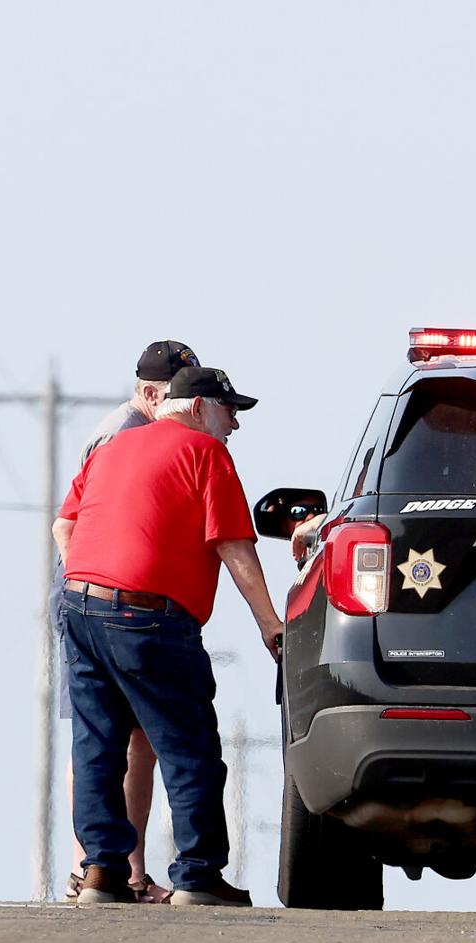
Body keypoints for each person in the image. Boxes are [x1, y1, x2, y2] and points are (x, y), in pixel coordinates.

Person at [53, 366, 284, 905]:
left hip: (80, 607)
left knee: (97, 744)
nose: (234, 425)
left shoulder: (114, 447)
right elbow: (234, 546)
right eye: (229, 411)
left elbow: (64, 524)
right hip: (146, 617)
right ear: (199, 407)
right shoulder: (206, 453)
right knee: (188, 745)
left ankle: (101, 873)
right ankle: (198, 876)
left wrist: (93, 581)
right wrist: (270, 625)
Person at [54, 339, 200, 903]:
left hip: (106, 596)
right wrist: (93, 599)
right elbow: (70, 526)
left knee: (135, 737)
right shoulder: (125, 434)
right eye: (173, 395)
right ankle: (94, 866)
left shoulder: (145, 430)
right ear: (148, 393)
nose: (182, 406)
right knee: (99, 731)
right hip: (99, 595)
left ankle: (123, 870)